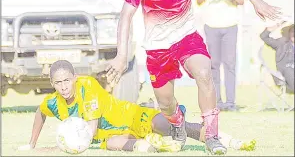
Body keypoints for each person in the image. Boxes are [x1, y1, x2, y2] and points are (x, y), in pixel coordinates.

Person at [105, 0, 281, 155]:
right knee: (166, 102)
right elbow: (126, 14)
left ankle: (211, 136)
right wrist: (121, 55)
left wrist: (257, 1)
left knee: (205, 71)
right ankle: (177, 123)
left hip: (186, 36)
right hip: (157, 47)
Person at [18, 60, 256, 153]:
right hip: (111, 133)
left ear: (74, 78)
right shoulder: (53, 102)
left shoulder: (86, 85)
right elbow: (40, 113)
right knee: (113, 144)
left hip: (131, 116)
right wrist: (32, 144)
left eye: (66, 81)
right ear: (52, 84)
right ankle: (154, 146)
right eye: (57, 83)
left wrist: (63, 147)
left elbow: (89, 128)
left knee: (168, 127)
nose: (63, 87)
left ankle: (224, 139)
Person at [196, 0, 244, 111]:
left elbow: (241, 0)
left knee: (230, 64)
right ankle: (217, 102)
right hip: (211, 25)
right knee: (214, 64)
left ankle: (231, 102)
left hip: (230, 25)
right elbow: (199, 1)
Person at [260, 21, 294, 93]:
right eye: (292, 31)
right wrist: (277, 25)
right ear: (289, 33)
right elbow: (263, 36)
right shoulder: (281, 43)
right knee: (290, 70)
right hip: (288, 69)